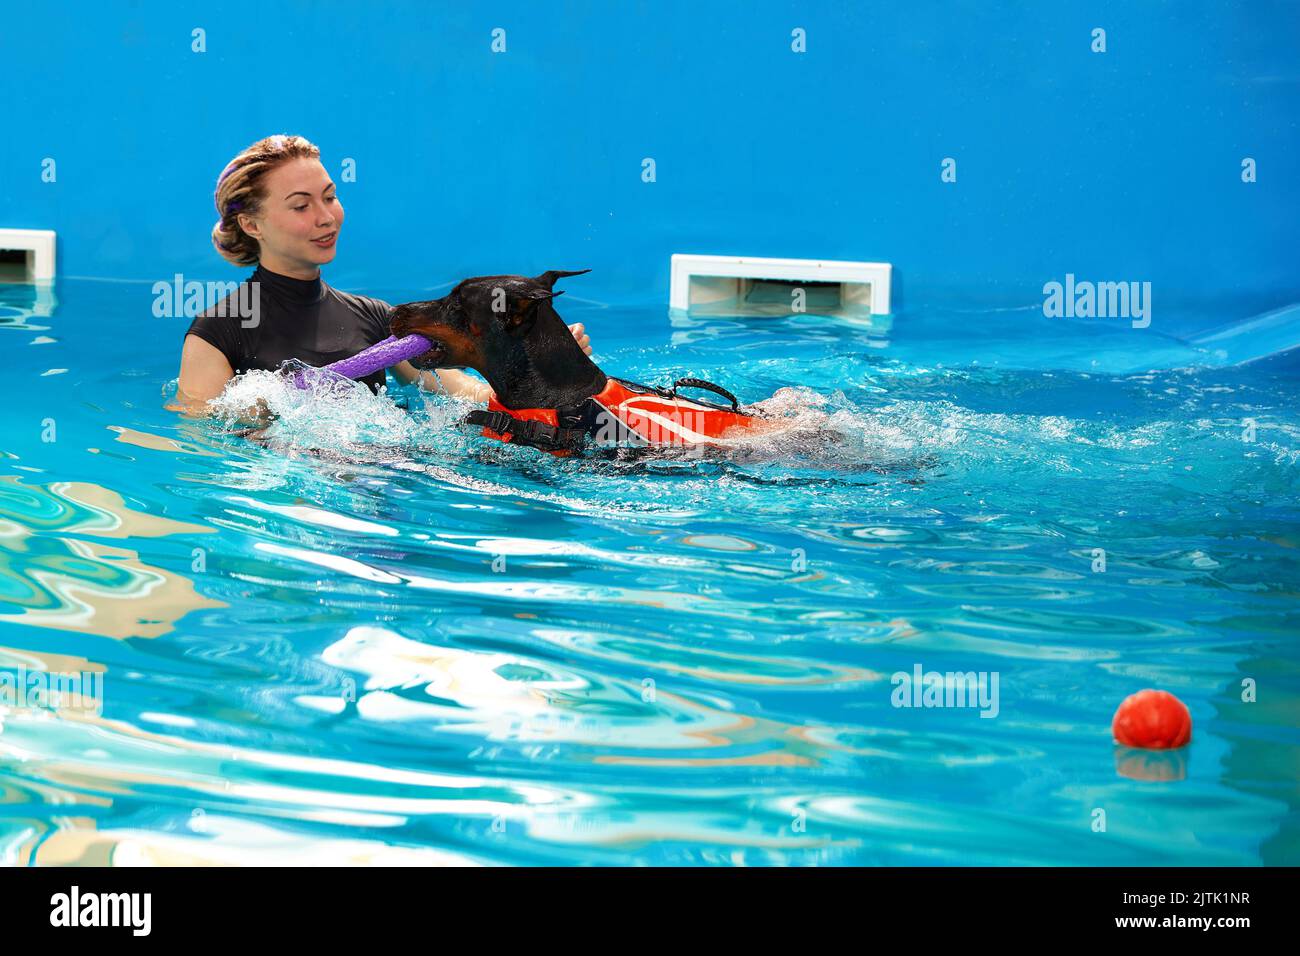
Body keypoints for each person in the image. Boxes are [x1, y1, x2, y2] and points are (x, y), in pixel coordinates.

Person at [176, 134, 591, 414]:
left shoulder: (376, 317)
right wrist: (264, 404)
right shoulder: (219, 331)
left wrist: (541, 369)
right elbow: (199, 435)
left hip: (382, 483)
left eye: (331, 197)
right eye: (301, 206)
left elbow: (463, 391)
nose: (326, 218)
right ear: (251, 225)